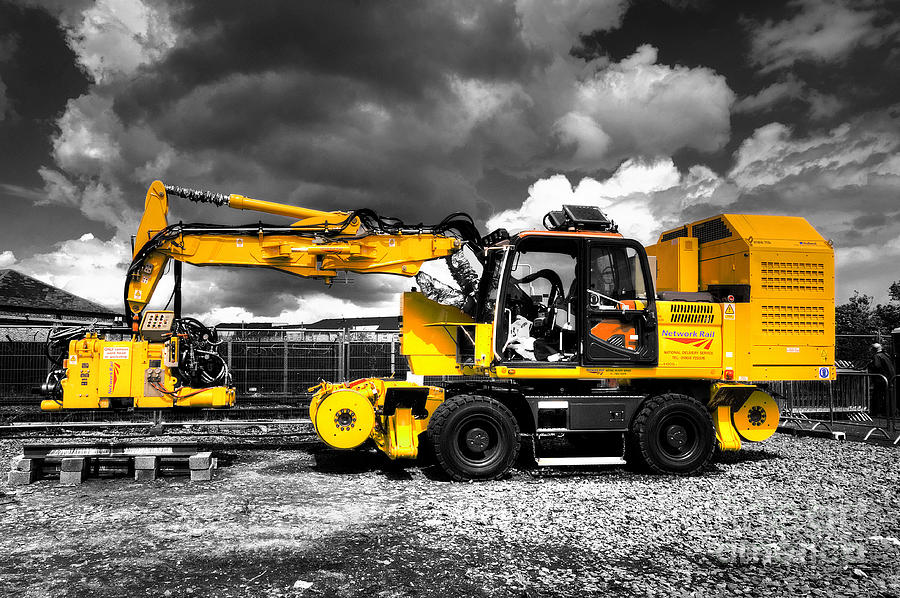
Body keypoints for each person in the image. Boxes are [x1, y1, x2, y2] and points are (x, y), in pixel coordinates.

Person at [867, 343, 896, 418]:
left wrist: (870, 365)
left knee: (877, 395)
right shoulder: (886, 355)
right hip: (890, 378)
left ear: (874, 350)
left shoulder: (876, 356)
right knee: (888, 395)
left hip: (881, 379)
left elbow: (876, 366)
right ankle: (890, 412)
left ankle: (876, 412)